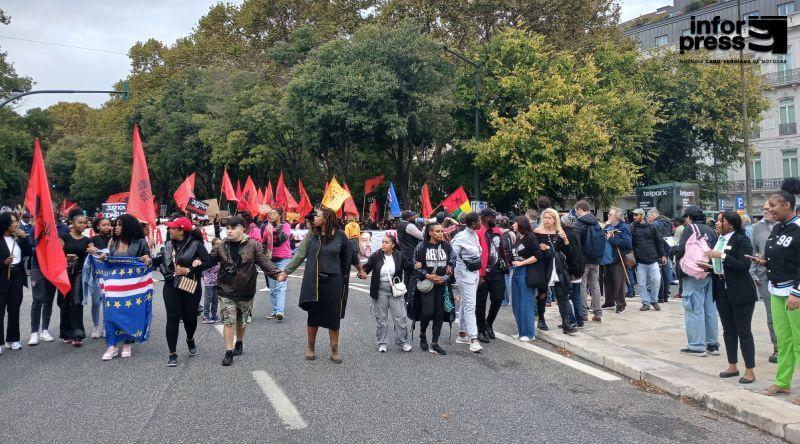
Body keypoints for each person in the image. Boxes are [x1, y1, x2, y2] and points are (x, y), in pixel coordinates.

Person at [284, 208, 361, 363]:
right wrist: (285, 272)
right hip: (315, 280)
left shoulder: (340, 236)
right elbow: (299, 255)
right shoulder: (312, 235)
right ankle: (310, 347)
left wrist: (360, 269)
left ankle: (334, 350)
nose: (314, 218)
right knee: (314, 315)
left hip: (335, 281)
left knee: (334, 316)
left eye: (318, 216)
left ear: (326, 218)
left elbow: (351, 254)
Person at [210, 215, 286, 366]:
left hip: (246, 289)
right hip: (226, 289)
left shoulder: (253, 245)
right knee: (228, 320)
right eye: (227, 228)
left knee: (241, 320)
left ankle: (239, 341)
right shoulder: (221, 246)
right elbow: (208, 260)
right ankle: (228, 351)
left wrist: (277, 273)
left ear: (241, 229)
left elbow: (264, 262)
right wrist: (195, 263)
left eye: (233, 228)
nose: (229, 231)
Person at [703, 211, 757, 384]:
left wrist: (723, 256)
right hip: (721, 290)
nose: (717, 223)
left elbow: (743, 265)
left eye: (721, 221)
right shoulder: (719, 239)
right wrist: (709, 266)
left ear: (731, 224)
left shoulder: (742, 240)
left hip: (741, 291)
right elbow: (720, 265)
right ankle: (732, 365)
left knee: (744, 331)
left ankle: (750, 370)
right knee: (728, 331)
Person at [758, 179, 800, 399]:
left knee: (799, 341)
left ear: (787, 205)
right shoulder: (777, 229)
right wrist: (765, 261)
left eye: (773, 206)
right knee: (783, 341)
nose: (770, 210)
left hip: (795, 293)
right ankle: (783, 382)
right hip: (777, 290)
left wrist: (797, 292)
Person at [150, 217, 211, 366]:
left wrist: (190, 269)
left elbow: (208, 262)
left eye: (172, 228)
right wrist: (148, 258)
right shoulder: (168, 245)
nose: (169, 230)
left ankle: (190, 338)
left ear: (182, 230)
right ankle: (172, 353)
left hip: (190, 286)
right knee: (172, 317)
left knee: (190, 318)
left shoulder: (196, 245)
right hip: (171, 285)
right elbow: (159, 260)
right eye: (169, 228)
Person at [100, 214, 152, 360]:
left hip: (132, 287)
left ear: (128, 226)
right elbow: (108, 260)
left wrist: (146, 259)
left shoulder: (140, 242)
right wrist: (103, 257)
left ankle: (128, 343)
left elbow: (148, 259)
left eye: (119, 224)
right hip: (114, 285)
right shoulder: (113, 241)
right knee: (110, 313)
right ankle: (112, 346)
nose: (115, 227)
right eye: (115, 224)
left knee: (129, 312)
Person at [675, 205, 719, 357]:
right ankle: (712, 344)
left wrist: (672, 249)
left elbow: (682, 250)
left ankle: (696, 345)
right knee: (710, 308)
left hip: (693, 272)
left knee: (693, 307)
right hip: (709, 271)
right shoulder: (711, 230)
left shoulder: (690, 229)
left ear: (688, 217)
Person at [407, 222, 454, 356]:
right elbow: (415, 267)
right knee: (427, 312)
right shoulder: (421, 247)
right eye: (438, 231)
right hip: (426, 284)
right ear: (430, 232)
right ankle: (422, 333)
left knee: (439, 314)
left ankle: (434, 343)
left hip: (441, 284)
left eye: (441, 231)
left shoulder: (447, 246)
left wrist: (445, 277)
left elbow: (453, 262)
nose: (441, 233)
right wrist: (428, 275)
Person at [360, 234, 413, 353]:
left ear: (393, 245)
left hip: (396, 291)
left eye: (386, 242)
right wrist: (361, 273)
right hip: (380, 290)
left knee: (400, 317)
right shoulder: (376, 255)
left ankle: (403, 342)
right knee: (381, 319)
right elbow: (366, 268)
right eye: (383, 242)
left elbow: (409, 268)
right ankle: (382, 343)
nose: (383, 244)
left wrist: (417, 265)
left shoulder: (399, 255)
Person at [532, 209, 577, 334]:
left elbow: (569, 253)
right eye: (545, 217)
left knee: (561, 294)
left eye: (549, 218)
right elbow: (533, 250)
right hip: (543, 266)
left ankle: (566, 322)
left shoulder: (559, 232)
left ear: (555, 219)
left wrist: (566, 241)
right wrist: (540, 248)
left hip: (557, 266)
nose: (547, 220)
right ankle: (541, 319)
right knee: (543, 293)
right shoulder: (537, 232)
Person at [58, 209, 93, 347]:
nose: (83, 225)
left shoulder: (87, 240)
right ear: (72, 223)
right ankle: (66, 333)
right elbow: (57, 252)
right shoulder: (64, 237)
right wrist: (65, 257)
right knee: (64, 302)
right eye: (80, 222)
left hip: (79, 273)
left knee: (76, 301)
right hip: (64, 273)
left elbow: (93, 250)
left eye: (85, 223)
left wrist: (94, 250)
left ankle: (77, 335)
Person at [451, 212, 484, 353]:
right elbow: (452, 255)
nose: (481, 223)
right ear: (473, 223)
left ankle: (462, 333)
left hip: (474, 273)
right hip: (464, 275)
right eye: (479, 221)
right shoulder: (460, 237)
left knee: (466, 302)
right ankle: (474, 339)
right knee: (471, 305)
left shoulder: (474, 235)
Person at [750, 201, 779, 364]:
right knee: (772, 313)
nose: (767, 211)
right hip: (765, 276)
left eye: (770, 208)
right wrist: (753, 273)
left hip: (787, 275)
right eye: (764, 208)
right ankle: (778, 346)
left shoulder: (788, 226)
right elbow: (753, 252)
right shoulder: (757, 228)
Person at [475, 208, 508, 343]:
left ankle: (489, 323)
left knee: (498, 299)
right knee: (481, 302)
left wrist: (506, 263)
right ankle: (481, 329)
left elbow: (501, 250)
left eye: (495, 216)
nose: (494, 219)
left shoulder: (497, 231)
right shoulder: (477, 232)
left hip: (497, 272)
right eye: (491, 217)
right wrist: (480, 273)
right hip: (483, 274)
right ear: (483, 217)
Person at [0, 212, 31, 353]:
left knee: (14, 309)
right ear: (5, 223)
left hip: (17, 276)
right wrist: (3, 262)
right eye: (12, 221)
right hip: (2, 277)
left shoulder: (17, 238)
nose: (15, 223)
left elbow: (28, 253)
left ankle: (13, 339)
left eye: (16, 221)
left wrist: (24, 239)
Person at [28, 212, 57, 346]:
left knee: (48, 300)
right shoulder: (35, 228)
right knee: (37, 299)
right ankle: (34, 332)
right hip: (38, 268)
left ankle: (44, 330)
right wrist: (44, 245)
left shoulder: (61, 228)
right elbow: (32, 249)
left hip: (52, 268)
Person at [509, 216, 540, 341]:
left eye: (515, 222)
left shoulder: (530, 238)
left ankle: (529, 333)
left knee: (526, 303)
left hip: (525, 272)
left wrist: (522, 263)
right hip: (516, 272)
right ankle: (521, 331)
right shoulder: (517, 238)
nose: (513, 224)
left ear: (521, 224)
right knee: (516, 303)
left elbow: (537, 255)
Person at [631, 208, 666, 311]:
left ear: (642, 216)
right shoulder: (632, 228)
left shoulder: (652, 227)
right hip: (640, 261)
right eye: (634, 215)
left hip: (653, 258)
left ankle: (654, 300)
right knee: (641, 283)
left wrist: (663, 255)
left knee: (656, 280)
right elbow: (631, 244)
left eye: (636, 215)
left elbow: (659, 241)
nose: (634, 217)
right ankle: (645, 302)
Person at [574, 200, 604, 322]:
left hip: (583, 259)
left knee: (582, 286)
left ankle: (583, 314)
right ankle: (598, 314)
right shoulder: (596, 222)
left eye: (576, 211)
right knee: (595, 286)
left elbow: (575, 242)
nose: (576, 213)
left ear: (580, 210)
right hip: (596, 259)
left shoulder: (579, 223)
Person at [600, 208, 632, 314]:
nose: (608, 216)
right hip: (607, 258)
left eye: (610, 214)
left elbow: (627, 243)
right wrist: (605, 227)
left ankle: (621, 304)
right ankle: (609, 301)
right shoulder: (608, 226)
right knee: (607, 281)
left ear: (617, 216)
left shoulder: (623, 227)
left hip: (618, 258)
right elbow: (601, 235)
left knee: (618, 282)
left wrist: (611, 239)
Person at [87, 216, 113, 338]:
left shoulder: (113, 239)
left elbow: (112, 253)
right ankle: (96, 326)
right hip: (96, 276)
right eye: (104, 225)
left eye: (108, 225)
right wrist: (99, 251)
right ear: (97, 226)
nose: (107, 227)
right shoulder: (92, 239)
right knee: (96, 302)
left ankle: (106, 326)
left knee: (107, 302)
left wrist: (100, 252)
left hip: (109, 276)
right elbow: (91, 250)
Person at [266, 209, 292, 320]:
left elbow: (283, 239)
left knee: (281, 286)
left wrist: (278, 227)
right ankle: (276, 309)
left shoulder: (286, 225)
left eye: (274, 213)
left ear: (280, 215)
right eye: (270, 213)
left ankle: (280, 311)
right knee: (272, 288)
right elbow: (264, 241)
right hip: (270, 260)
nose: (271, 215)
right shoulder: (267, 226)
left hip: (283, 259)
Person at [561, 215, 585, 327]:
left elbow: (573, 255)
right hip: (578, 268)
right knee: (576, 297)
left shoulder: (568, 235)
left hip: (573, 270)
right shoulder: (574, 233)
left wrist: (572, 272)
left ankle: (573, 320)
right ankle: (579, 320)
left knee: (569, 296)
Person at [648, 209, 674, 303]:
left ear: (654, 215)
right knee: (665, 273)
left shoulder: (655, 224)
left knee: (659, 275)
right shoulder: (668, 223)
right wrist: (666, 254)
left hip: (658, 251)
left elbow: (655, 240)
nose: (649, 219)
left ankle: (660, 296)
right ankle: (665, 296)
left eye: (649, 217)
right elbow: (669, 238)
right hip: (667, 251)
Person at [397, 210, 424, 289]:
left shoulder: (401, 224)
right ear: (409, 218)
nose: (415, 217)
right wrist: (425, 227)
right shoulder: (409, 226)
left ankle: (407, 296)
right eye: (413, 216)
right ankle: (410, 296)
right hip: (411, 253)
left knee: (407, 274)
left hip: (405, 252)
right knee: (412, 274)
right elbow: (422, 237)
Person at [202, 238, 222, 324]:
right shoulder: (209, 256)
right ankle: (206, 316)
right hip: (209, 281)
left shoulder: (222, 256)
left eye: (220, 244)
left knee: (215, 299)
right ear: (213, 245)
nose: (219, 246)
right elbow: (204, 267)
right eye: (217, 244)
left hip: (217, 281)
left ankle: (214, 315)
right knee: (208, 299)